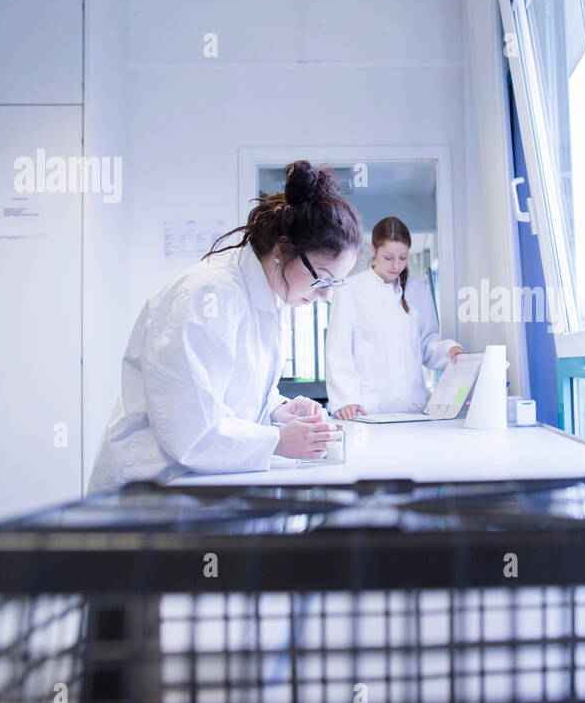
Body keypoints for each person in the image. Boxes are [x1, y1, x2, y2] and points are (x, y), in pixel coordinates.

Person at [88, 161, 361, 493]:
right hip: (155, 487)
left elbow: (227, 388)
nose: (325, 294)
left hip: (203, 485)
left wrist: (277, 409)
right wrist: (279, 441)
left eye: (336, 284)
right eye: (322, 277)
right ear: (283, 249)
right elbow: (191, 431)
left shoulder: (269, 295)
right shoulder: (207, 295)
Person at [326, 216, 462, 419]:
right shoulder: (350, 290)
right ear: (373, 250)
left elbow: (426, 344)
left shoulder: (419, 291)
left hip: (413, 409)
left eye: (403, 258)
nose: (396, 265)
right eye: (388, 257)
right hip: (367, 411)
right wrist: (345, 399)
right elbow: (339, 350)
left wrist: (447, 349)